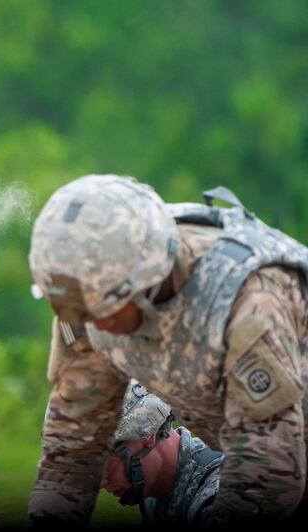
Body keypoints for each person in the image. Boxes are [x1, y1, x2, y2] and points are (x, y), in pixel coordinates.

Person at [27, 174, 307, 526]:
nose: (90, 323)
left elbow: (267, 467)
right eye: (77, 310)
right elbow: (74, 442)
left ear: (148, 276)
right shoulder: (87, 297)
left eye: (101, 308)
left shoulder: (247, 302)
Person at [102, 380, 222, 526]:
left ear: (147, 435)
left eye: (105, 465)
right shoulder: (154, 492)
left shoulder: (217, 496)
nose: (103, 482)